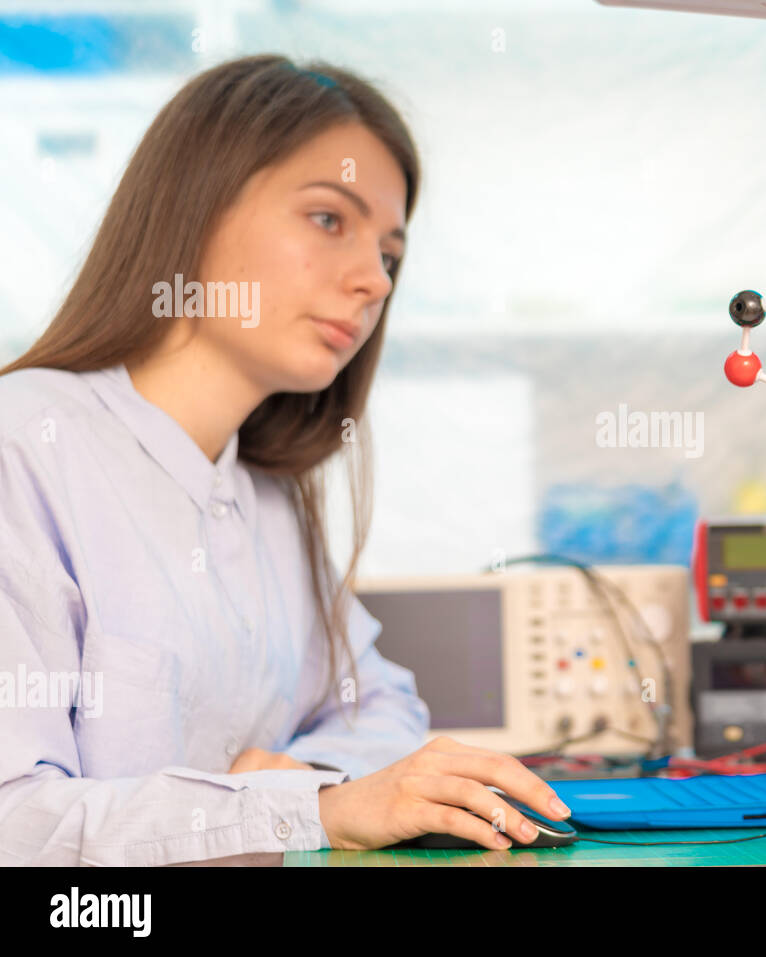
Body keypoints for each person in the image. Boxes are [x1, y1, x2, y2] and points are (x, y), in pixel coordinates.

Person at [0, 54, 569, 866]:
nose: (373, 280)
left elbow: (383, 704)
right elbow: (14, 821)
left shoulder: (263, 498)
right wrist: (295, 808)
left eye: (391, 255)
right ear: (192, 204)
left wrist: (314, 781)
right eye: (330, 219)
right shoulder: (23, 447)